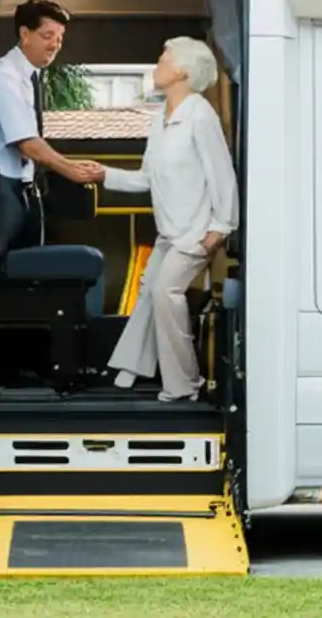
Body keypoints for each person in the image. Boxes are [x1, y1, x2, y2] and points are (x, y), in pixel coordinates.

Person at [99, 37, 239, 402]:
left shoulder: (200, 113)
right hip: (169, 234)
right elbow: (146, 179)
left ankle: (184, 385)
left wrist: (220, 228)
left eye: (164, 57)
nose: (158, 62)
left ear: (182, 71)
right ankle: (130, 368)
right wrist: (102, 175)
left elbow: (222, 174)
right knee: (148, 294)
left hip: (195, 233)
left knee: (165, 292)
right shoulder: (161, 119)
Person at [0, 0, 104, 249]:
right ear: (25, 34)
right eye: (47, 36)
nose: (55, 45)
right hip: (2, 187)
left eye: (59, 37)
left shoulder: (28, 75)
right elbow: (26, 143)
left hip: (19, 186)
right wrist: (70, 169)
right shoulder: (6, 77)